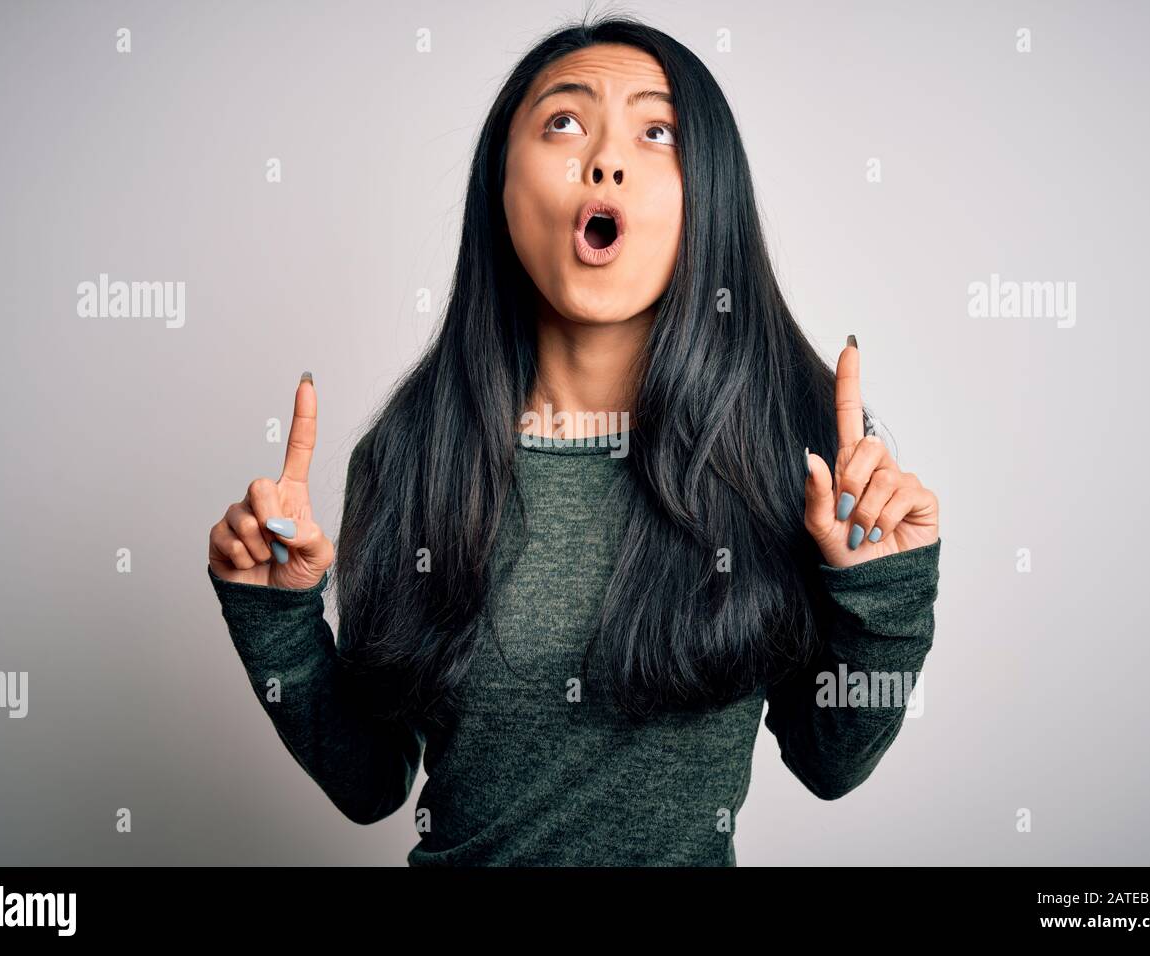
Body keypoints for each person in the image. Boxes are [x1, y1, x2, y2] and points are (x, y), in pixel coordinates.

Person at [207, 14, 941, 866]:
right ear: (502, 188)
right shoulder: (411, 456)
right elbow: (371, 785)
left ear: (709, 194)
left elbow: (830, 762)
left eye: (657, 130)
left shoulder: (790, 454)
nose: (605, 158)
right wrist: (278, 621)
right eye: (564, 121)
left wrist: (882, 599)